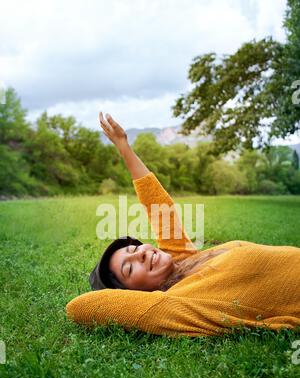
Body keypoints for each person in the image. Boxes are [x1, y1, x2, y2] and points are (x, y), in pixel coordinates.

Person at [66, 112, 300, 338]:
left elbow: (159, 206)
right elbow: (79, 308)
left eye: (135, 249)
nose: (142, 254)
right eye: (129, 269)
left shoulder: (183, 260)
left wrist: (122, 145)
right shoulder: (177, 302)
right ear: (135, 295)